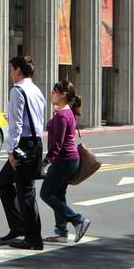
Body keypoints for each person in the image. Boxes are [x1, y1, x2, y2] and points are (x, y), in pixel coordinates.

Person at [0, 55, 46, 249]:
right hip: (34, 143)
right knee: (4, 182)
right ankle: (19, 226)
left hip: (23, 144)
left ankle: (34, 239)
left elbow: (15, 123)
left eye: (11, 69)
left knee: (26, 192)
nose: (10, 74)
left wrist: (11, 150)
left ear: (18, 70)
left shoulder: (18, 90)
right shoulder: (36, 90)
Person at [41, 82, 90, 243]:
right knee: (58, 195)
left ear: (62, 95)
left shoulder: (63, 115)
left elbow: (57, 143)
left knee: (46, 193)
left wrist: (46, 161)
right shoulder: (65, 112)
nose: (51, 94)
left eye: (54, 92)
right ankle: (61, 231)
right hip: (69, 160)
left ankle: (78, 220)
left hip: (63, 161)